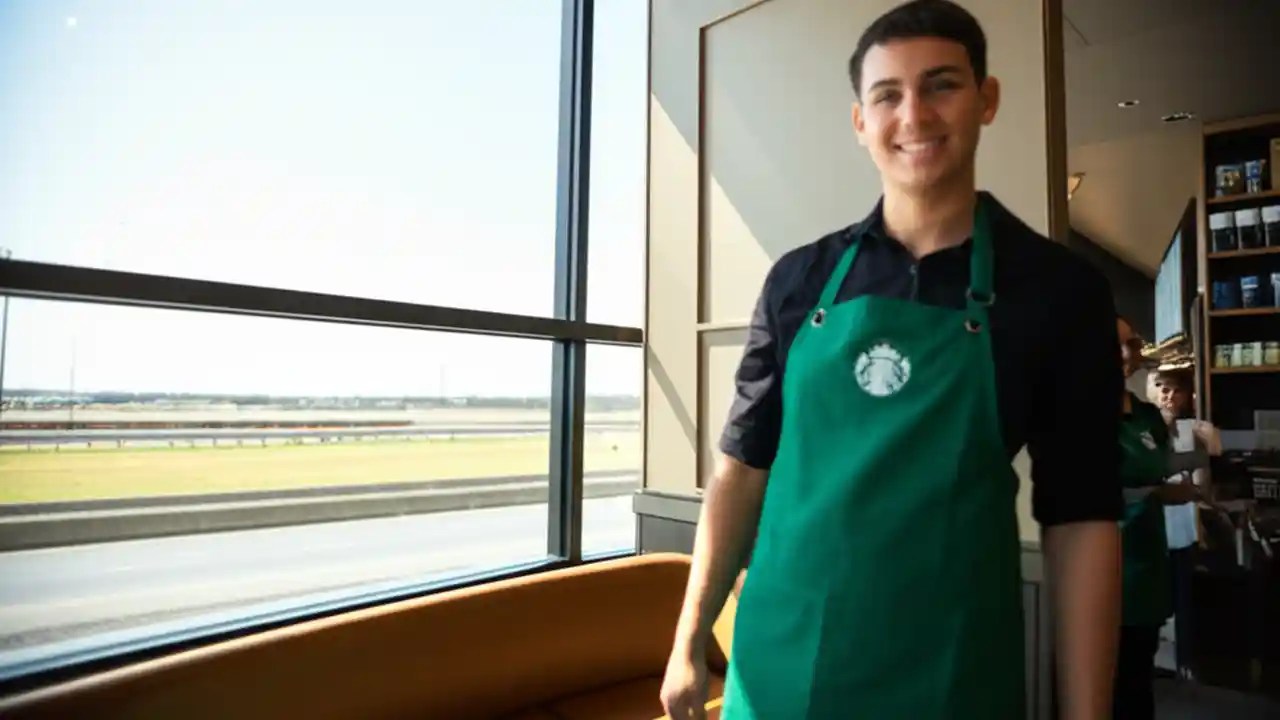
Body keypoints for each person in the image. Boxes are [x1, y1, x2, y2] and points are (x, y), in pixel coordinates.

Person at [659, 2, 1124, 718]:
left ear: (986, 98)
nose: (914, 115)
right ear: (860, 121)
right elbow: (741, 470)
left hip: (951, 667)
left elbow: (1081, 518)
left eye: (941, 84)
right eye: (887, 94)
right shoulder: (798, 280)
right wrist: (688, 637)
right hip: (783, 661)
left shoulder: (1058, 291)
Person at [1113, 320, 1199, 719]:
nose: (1131, 354)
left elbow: (1159, 470)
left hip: (1147, 561)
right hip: (1108, 562)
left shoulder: (1148, 417)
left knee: (1136, 680)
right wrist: (1158, 491)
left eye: (1134, 344)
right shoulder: (1077, 413)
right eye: (1120, 345)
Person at [1149, 367, 1221, 682]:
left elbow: (1204, 483)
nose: (1168, 395)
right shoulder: (1135, 430)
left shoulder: (1198, 429)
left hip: (1180, 530)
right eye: (1161, 387)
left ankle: (1185, 664)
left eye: (1176, 389)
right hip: (1146, 530)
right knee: (1148, 605)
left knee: (1183, 601)